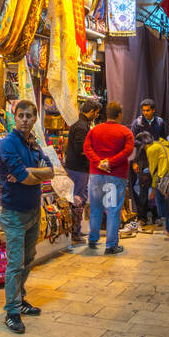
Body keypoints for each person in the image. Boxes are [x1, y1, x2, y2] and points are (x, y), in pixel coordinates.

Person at [0, 101, 55, 334]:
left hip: (33, 210)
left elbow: (50, 170)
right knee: (15, 263)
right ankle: (12, 311)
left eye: (29, 116)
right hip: (13, 213)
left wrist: (29, 173)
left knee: (29, 259)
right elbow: (24, 178)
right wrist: (30, 174)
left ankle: (19, 300)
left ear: (35, 118)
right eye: (20, 115)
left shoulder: (34, 143)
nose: (24, 119)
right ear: (14, 117)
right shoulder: (7, 144)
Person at [84, 102, 135, 254]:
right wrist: (110, 162)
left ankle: (93, 239)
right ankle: (111, 245)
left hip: (96, 174)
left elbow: (87, 148)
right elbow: (127, 151)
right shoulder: (125, 132)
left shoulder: (94, 130)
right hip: (115, 176)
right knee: (113, 210)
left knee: (95, 208)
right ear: (119, 115)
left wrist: (98, 161)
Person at [63, 100, 100, 243]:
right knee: (78, 200)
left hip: (77, 168)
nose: (96, 116)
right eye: (96, 113)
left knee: (77, 199)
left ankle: (75, 231)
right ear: (91, 112)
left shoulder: (80, 124)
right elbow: (81, 149)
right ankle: (74, 234)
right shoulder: (81, 126)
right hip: (78, 169)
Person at [129, 99, 167, 228]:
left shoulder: (161, 123)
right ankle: (142, 217)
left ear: (153, 110)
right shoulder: (137, 123)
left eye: (148, 110)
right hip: (142, 161)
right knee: (143, 190)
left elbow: (164, 141)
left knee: (156, 188)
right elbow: (133, 144)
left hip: (157, 162)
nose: (145, 113)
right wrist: (134, 162)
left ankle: (157, 216)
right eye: (144, 110)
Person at [145, 134, 169, 238]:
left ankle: (166, 228)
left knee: (160, 202)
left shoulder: (151, 149)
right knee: (163, 201)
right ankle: (166, 226)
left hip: (164, 175)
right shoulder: (160, 145)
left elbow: (153, 170)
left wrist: (153, 189)